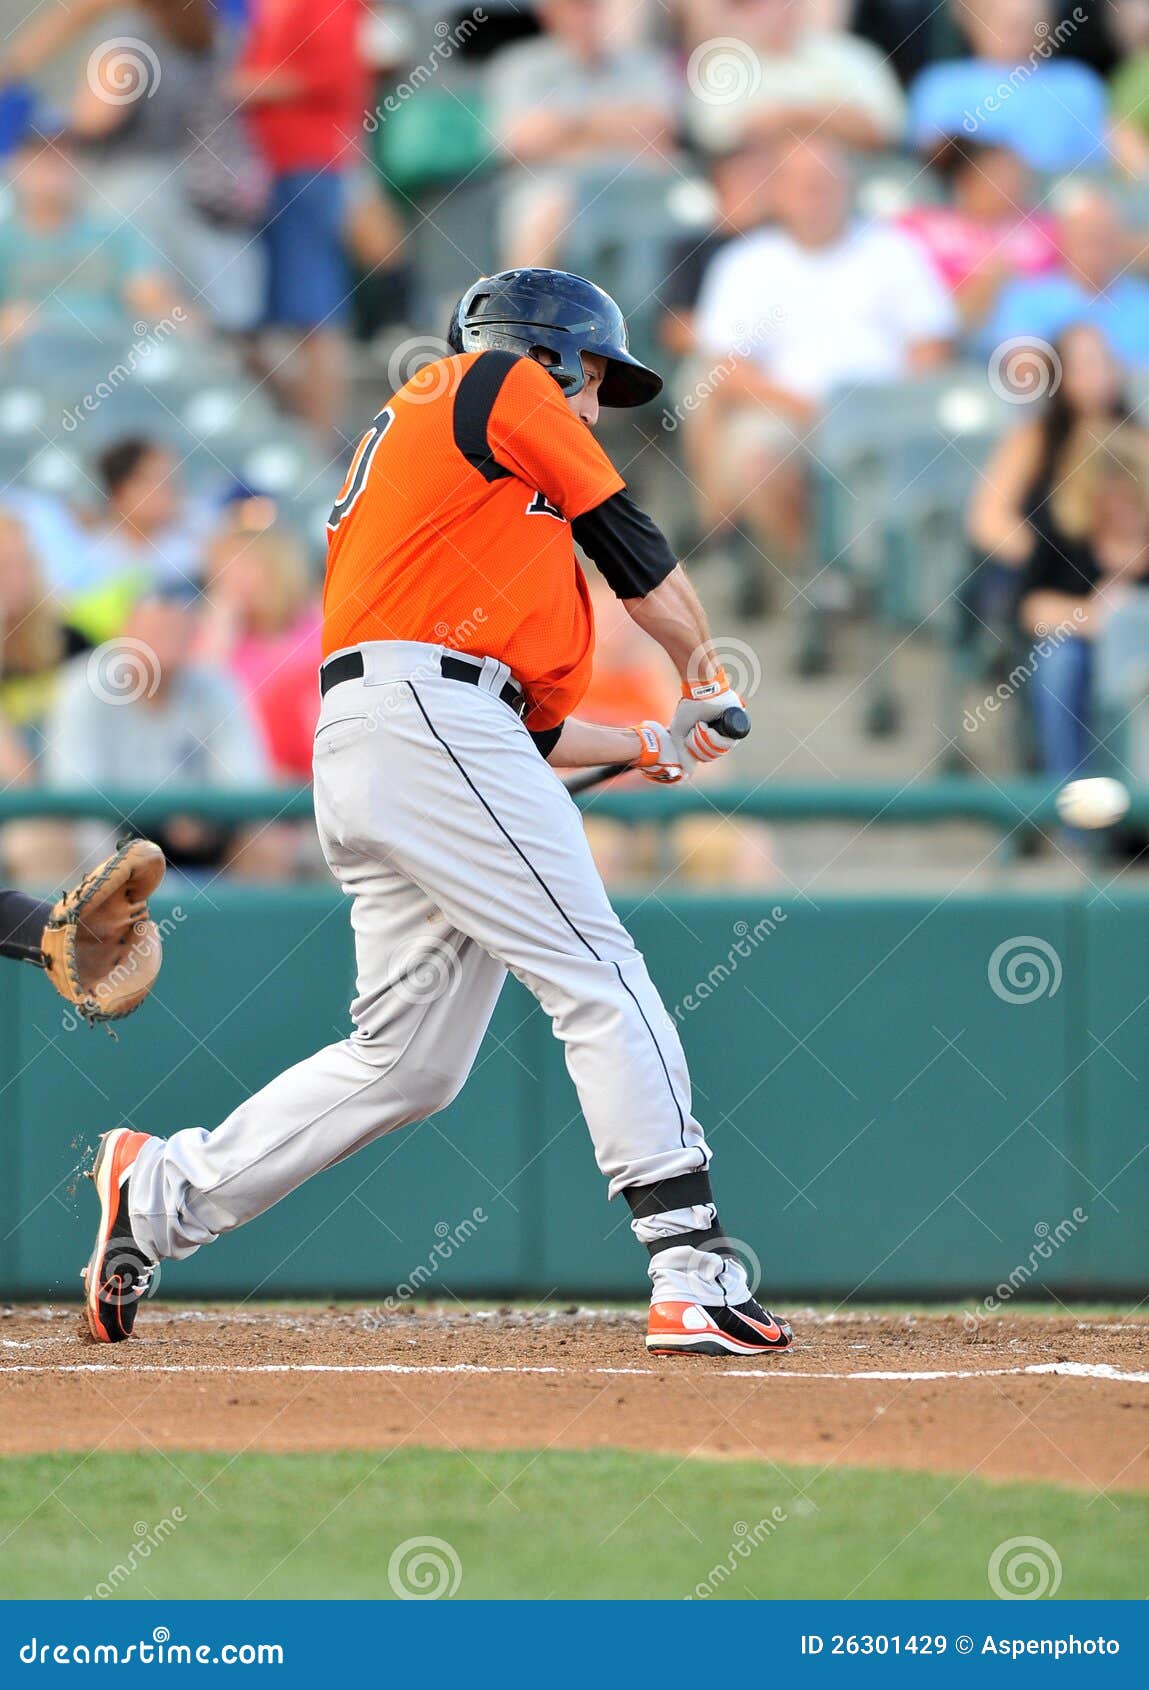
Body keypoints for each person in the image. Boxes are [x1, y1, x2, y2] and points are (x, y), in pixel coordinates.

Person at [79, 266, 795, 1360]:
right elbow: (635, 543)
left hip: (398, 731)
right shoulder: (495, 381)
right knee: (599, 975)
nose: (597, 403)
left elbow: (535, 731)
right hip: (425, 719)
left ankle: (163, 1190)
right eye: (594, 373)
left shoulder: (484, 505)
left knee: (407, 1060)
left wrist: (652, 737)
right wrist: (703, 667)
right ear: (542, 348)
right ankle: (690, 1267)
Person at [686, 137, 955, 582]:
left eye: (828, 183)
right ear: (779, 193)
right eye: (806, 185)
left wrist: (888, 407)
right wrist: (811, 408)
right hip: (791, 409)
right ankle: (816, 576)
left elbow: (931, 345)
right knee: (755, 460)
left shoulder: (893, 250)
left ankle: (905, 580)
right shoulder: (746, 262)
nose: (819, 196)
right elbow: (726, 368)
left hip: (888, 408)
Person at [45, 595, 289, 881]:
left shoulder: (216, 685)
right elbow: (76, 793)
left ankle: (245, 926)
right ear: (123, 635)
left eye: (174, 632)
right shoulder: (85, 686)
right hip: (113, 834)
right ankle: (89, 925)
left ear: (190, 638)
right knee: (44, 844)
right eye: (151, 633)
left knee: (269, 842)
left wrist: (206, 820)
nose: (161, 646)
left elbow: (246, 783)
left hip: (200, 832)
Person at [230, 0, 370, 443]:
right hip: (262, 174)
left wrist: (241, 87)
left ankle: (319, 444)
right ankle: (302, 438)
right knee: (257, 321)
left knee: (315, 316)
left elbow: (334, 78)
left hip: (307, 169)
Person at [967, 324, 1140, 641]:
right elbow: (989, 521)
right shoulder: (1033, 441)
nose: (1097, 376)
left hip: (1125, 582)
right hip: (1052, 585)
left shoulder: (1135, 441)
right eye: (1083, 365)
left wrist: (1121, 563)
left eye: (1103, 363)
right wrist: (1056, 563)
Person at [489, 0, 678, 267]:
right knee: (540, 208)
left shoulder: (644, 63)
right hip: (555, 188)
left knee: (689, 208)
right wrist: (617, 125)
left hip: (634, 187)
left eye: (592, 5)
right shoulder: (520, 66)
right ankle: (520, 306)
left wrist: (566, 129)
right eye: (574, 6)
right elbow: (522, 141)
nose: (585, 15)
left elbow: (659, 135)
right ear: (549, 12)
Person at [1018, 428, 1149, 777]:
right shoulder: (1065, 536)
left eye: (1129, 499)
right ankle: (1074, 811)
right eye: (1110, 501)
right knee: (1058, 661)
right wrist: (1095, 616)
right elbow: (1032, 610)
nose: (1121, 511)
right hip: (1087, 653)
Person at [0, 129, 185, 344]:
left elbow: (149, 294)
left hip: (112, 352)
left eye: (61, 158)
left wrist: (167, 314)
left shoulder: (114, 230)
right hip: (32, 359)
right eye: (38, 159)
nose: (51, 172)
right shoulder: (6, 240)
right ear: (14, 165)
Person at [908, 0, 1117, 175]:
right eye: (1006, 20)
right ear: (971, 20)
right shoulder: (939, 86)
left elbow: (1104, 164)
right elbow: (933, 163)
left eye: (1031, 20)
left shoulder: (1079, 83)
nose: (1019, 30)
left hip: (1060, 209)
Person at [681, 0, 905, 156]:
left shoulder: (851, 55)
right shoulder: (725, 64)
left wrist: (785, 117)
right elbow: (718, 137)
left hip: (855, 179)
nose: (779, 9)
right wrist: (827, 117)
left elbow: (885, 129)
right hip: (760, 190)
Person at [198, 524, 322, 782]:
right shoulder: (215, 641)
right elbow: (201, 702)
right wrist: (221, 629)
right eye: (224, 571)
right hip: (252, 777)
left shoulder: (319, 623)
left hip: (320, 769)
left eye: (246, 567)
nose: (235, 581)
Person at [897, 136, 1059, 335]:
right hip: (951, 333)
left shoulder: (1046, 231)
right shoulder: (923, 228)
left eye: (1015, 173)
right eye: (998, 173)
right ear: (967, 180)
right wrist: (992, 281)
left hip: (1033, 333)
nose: (1012, 183)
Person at [981, 186, 1149, 366]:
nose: (1096, 249)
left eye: (1105, 237)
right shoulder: (1026, 295)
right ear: (1064, 239)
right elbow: (1023, 370)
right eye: (1086, 237)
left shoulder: (1142, 299)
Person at [75, 437, 215, 643]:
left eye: (173, 482)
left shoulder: (195, 556)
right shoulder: (85, 555)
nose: (172, 492)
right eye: (160, 481)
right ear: (121, 489)